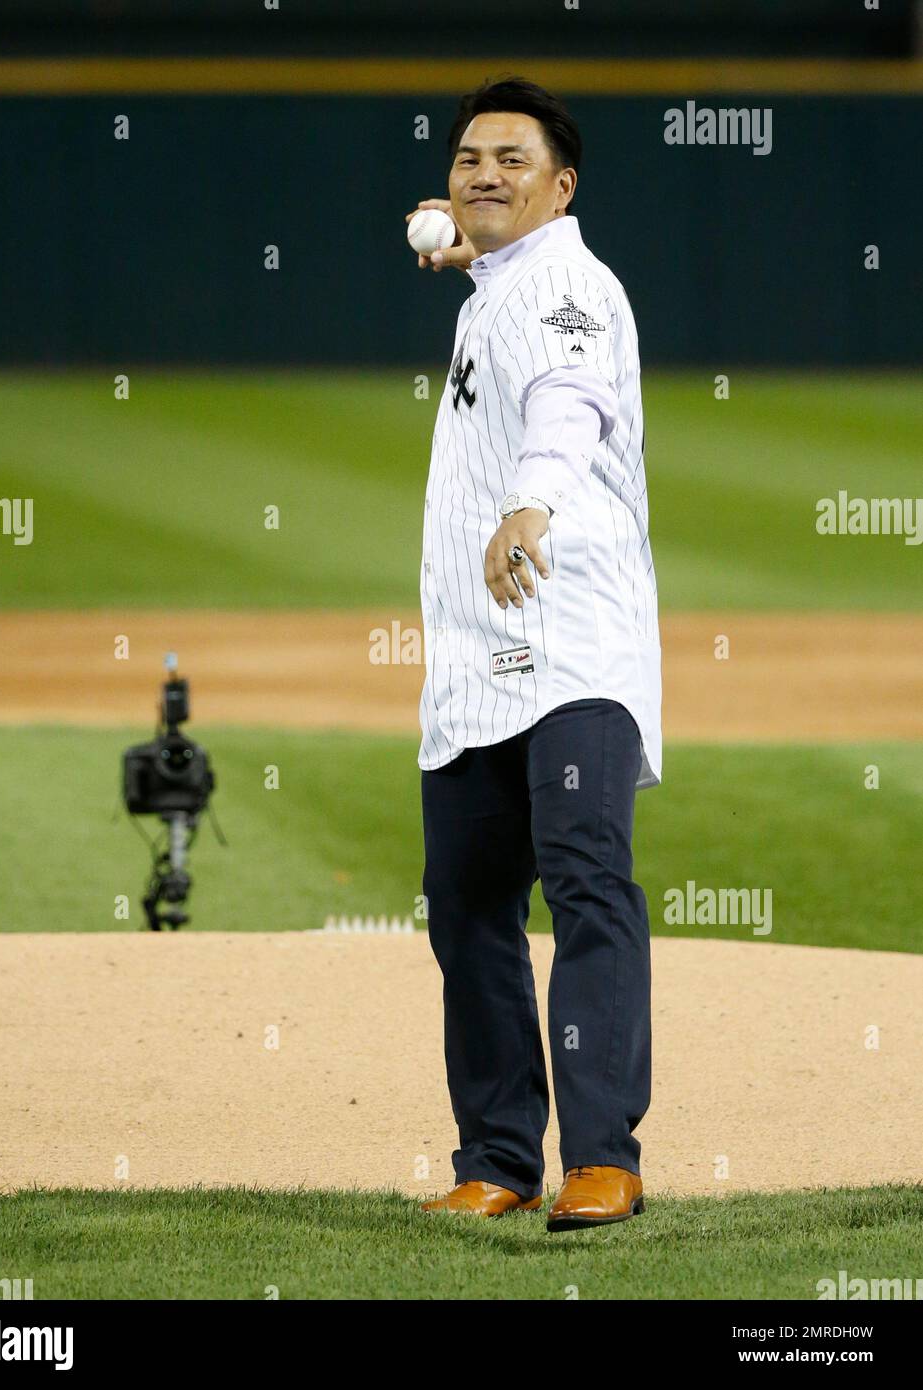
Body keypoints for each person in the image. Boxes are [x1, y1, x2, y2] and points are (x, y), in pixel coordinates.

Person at [406, 76, 662, 1231]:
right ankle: (499, 1157)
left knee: (582, 882)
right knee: (464, 905)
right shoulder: (506, 279)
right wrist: (472, 252)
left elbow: (567, 399)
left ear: (561, 186)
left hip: (566, 639)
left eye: (511, 158)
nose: (483, 172)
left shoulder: (571, 283)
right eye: (468, 157)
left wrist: (531, 504)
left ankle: (600, 1156)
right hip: (474, 659)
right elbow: (509, 286)